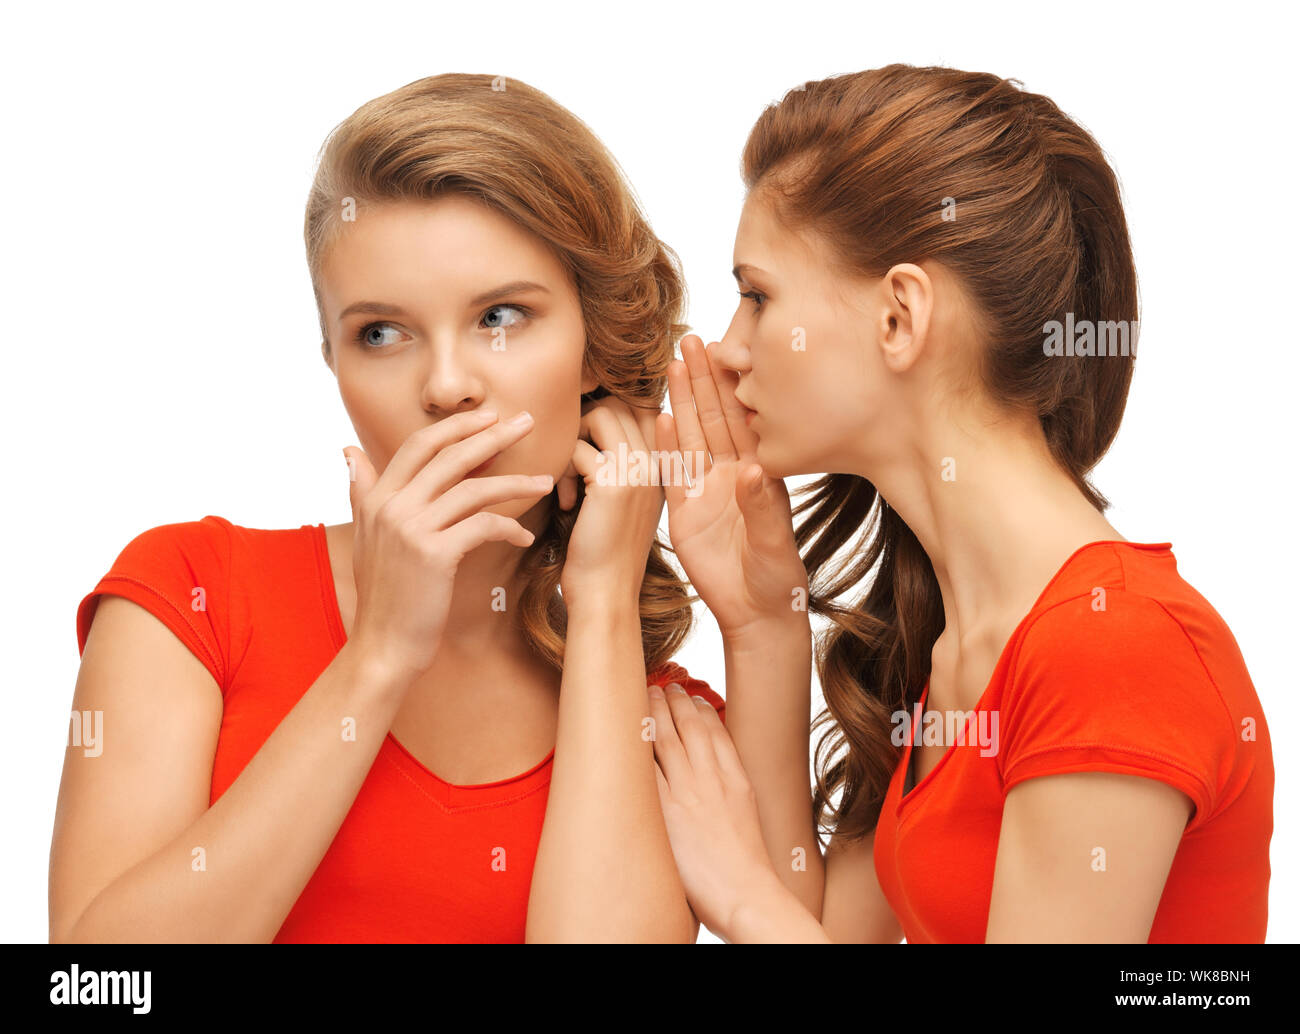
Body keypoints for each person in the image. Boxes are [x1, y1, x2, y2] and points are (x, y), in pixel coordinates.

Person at [51, 73, 723, 944]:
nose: (446, 386)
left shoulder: (659, 713)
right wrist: (377, 659)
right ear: (331, 358)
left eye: (502, 316)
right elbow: (101, 985)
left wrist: (602, 610)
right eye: (381, 333)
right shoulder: (192, 595)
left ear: (595, 346)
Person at [647, 64, 1273, 943]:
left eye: (757, 296)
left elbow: (772, 919)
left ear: (899, 315)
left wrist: (741, 897)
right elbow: (824, 931)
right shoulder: (949, 636)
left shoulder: (1110, 646)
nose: (729, 349)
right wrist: (762, 625)